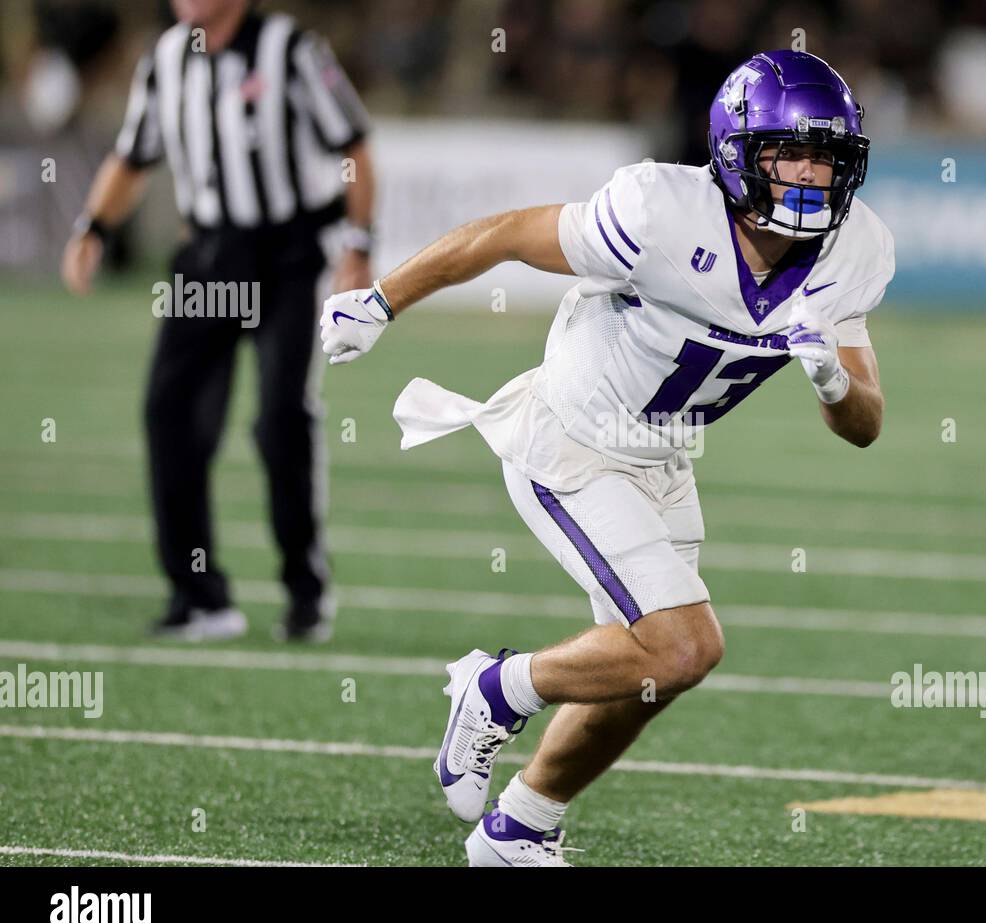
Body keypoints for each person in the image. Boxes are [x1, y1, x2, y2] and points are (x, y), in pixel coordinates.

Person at [321, 50, 893, 864]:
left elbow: (865, 426)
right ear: (736, 154)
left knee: (649, 671)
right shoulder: (660, 211)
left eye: (825, 156)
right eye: (787, 153)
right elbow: (508, 235)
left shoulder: (855, 251)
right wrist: (382, 301)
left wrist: (834, 377)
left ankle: (522, 825)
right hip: (571, 437)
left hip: (664, 457)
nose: (808, 175)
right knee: (686, 643)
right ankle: (494, 688)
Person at [62, 0, 375, 642]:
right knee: (169, 411)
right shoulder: (166, 59)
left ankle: (304, 588)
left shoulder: (292, 49)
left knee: (281, 418)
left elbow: (355, 147)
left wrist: (359, 245)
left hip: (289, 254)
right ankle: (199, 596)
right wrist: (92, 228)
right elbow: (132, 154)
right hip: (208, 258)